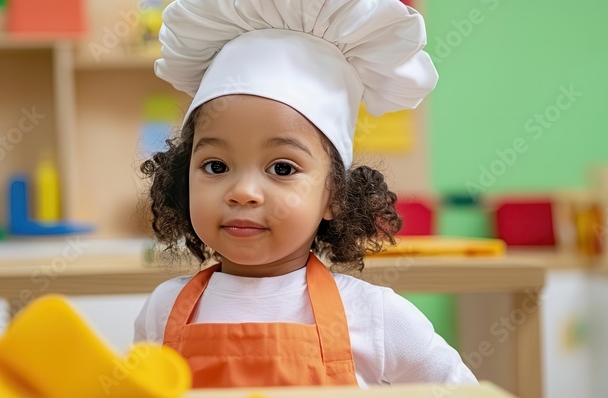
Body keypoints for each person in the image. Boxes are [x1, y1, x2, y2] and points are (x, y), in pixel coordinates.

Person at [134, 0, 476, 388]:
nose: (243, 192)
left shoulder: (376, 317)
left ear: (335, 195)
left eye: (282, 168)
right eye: (216, 166)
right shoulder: (161, 312)